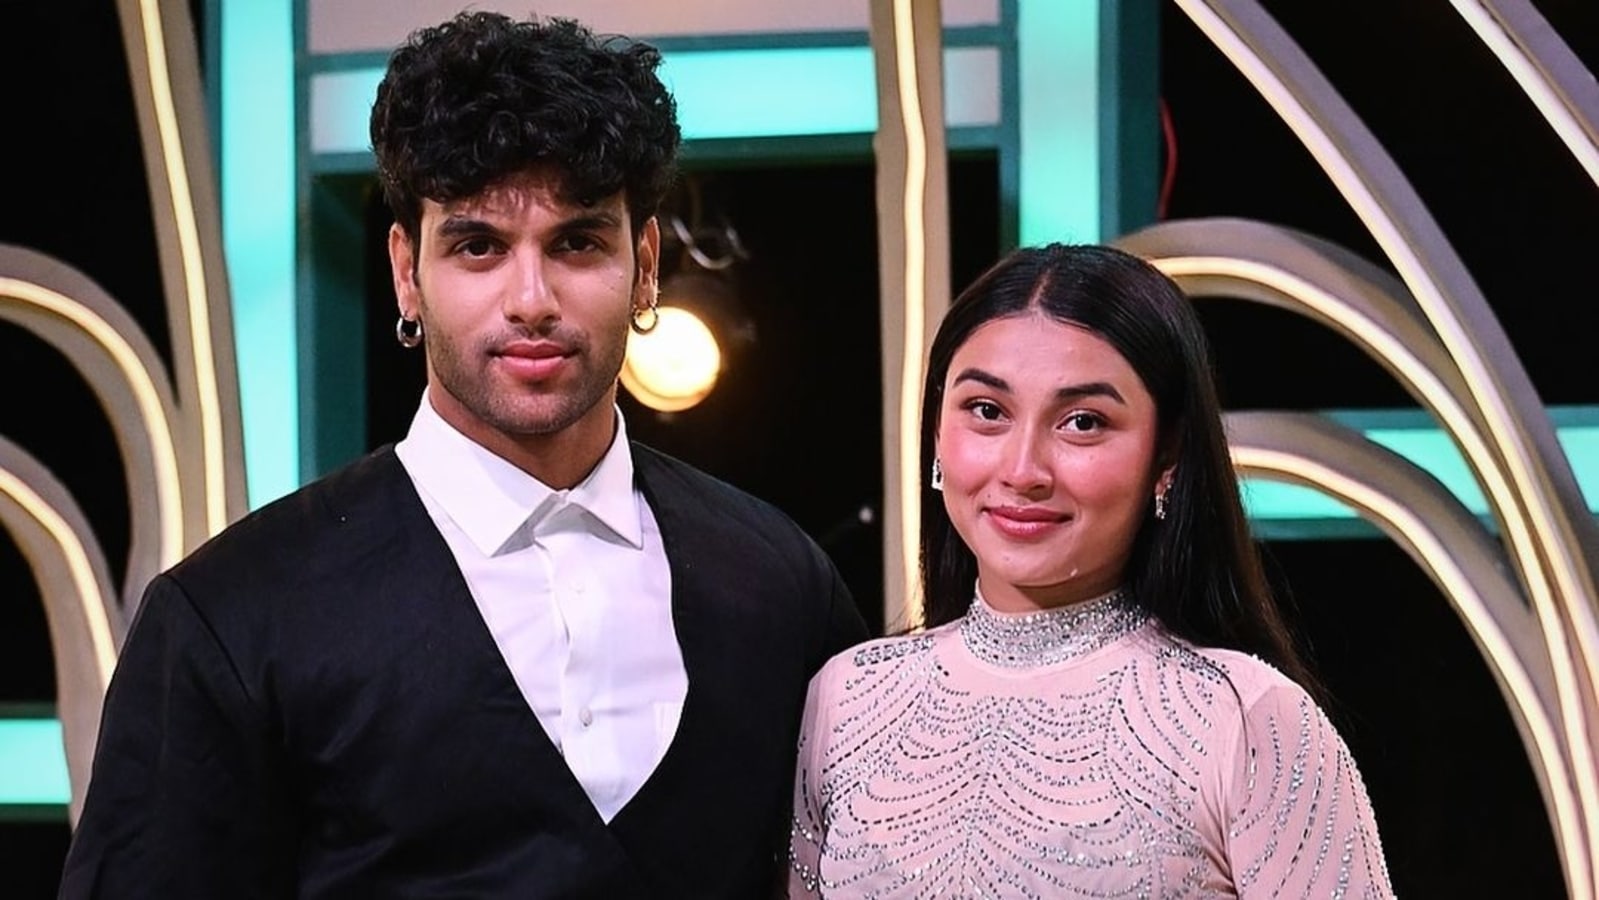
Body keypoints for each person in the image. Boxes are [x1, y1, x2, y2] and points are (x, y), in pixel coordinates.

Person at [61, 12, 867, 898]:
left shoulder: (776, 583)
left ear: (644, 264)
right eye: (479, 246)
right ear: (406, 271)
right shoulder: (233, 615)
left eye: (577, 242)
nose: (531, 299)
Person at [789, 244, 1392, 897]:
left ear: (1167, 455)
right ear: (937, 431)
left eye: (1083, 422)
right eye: (986, 411)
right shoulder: (846, 701)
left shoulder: (1246, 719)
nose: (1022, 470)